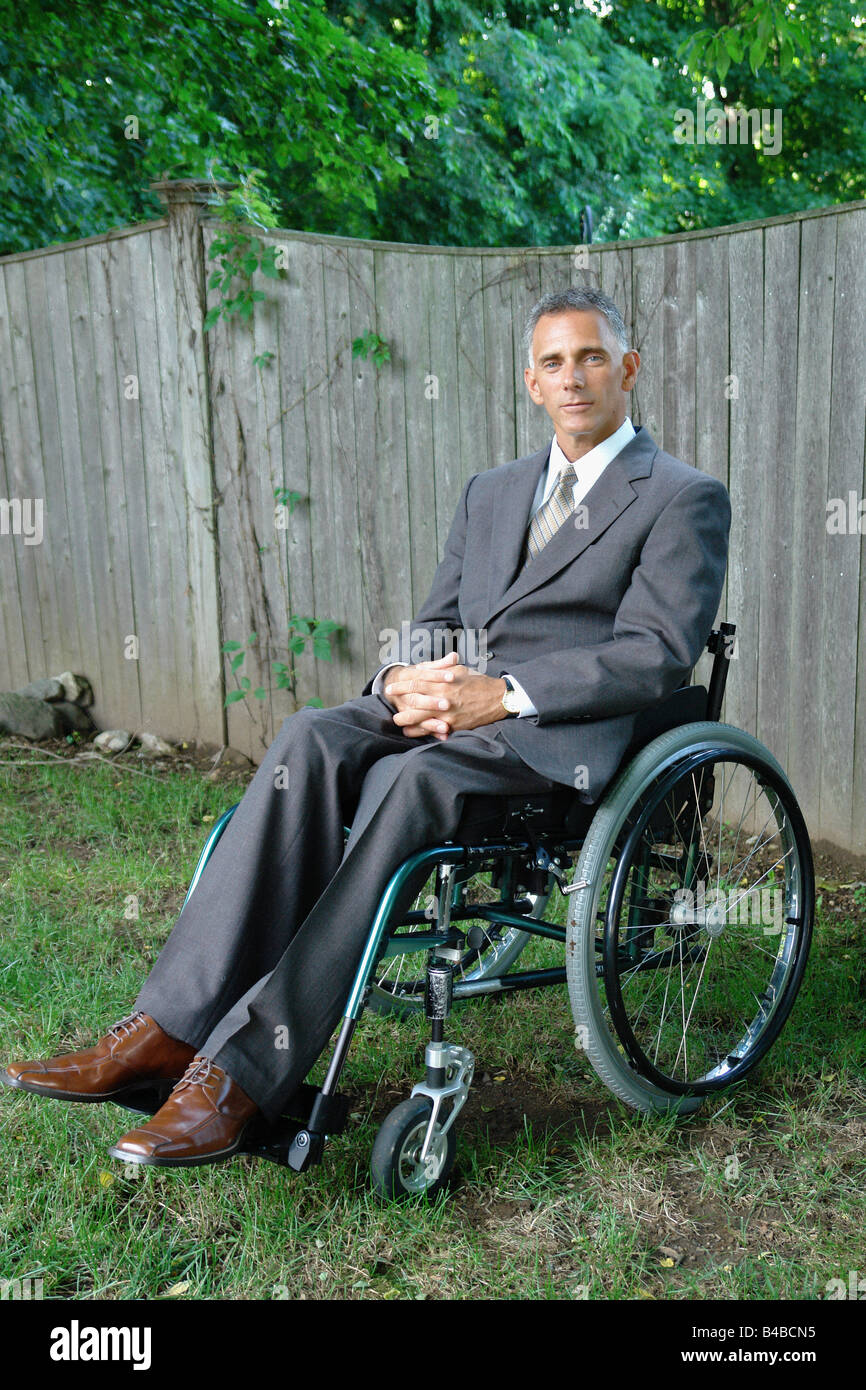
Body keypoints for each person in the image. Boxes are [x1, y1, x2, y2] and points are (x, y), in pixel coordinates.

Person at [1, 287, 731, 1167]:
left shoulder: (681, 496)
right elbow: (438, 620)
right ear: (530, 383)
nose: (572, 377)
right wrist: (402, 679)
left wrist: (501, 696)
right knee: (313, 734)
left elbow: (655, 652)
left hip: (559, 738)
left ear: (628, 369)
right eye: (552, 362)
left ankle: (242, 1072)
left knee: (405, 780)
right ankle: (163, 1030)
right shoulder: (493, 490)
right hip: (453, 712)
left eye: (590, 358)